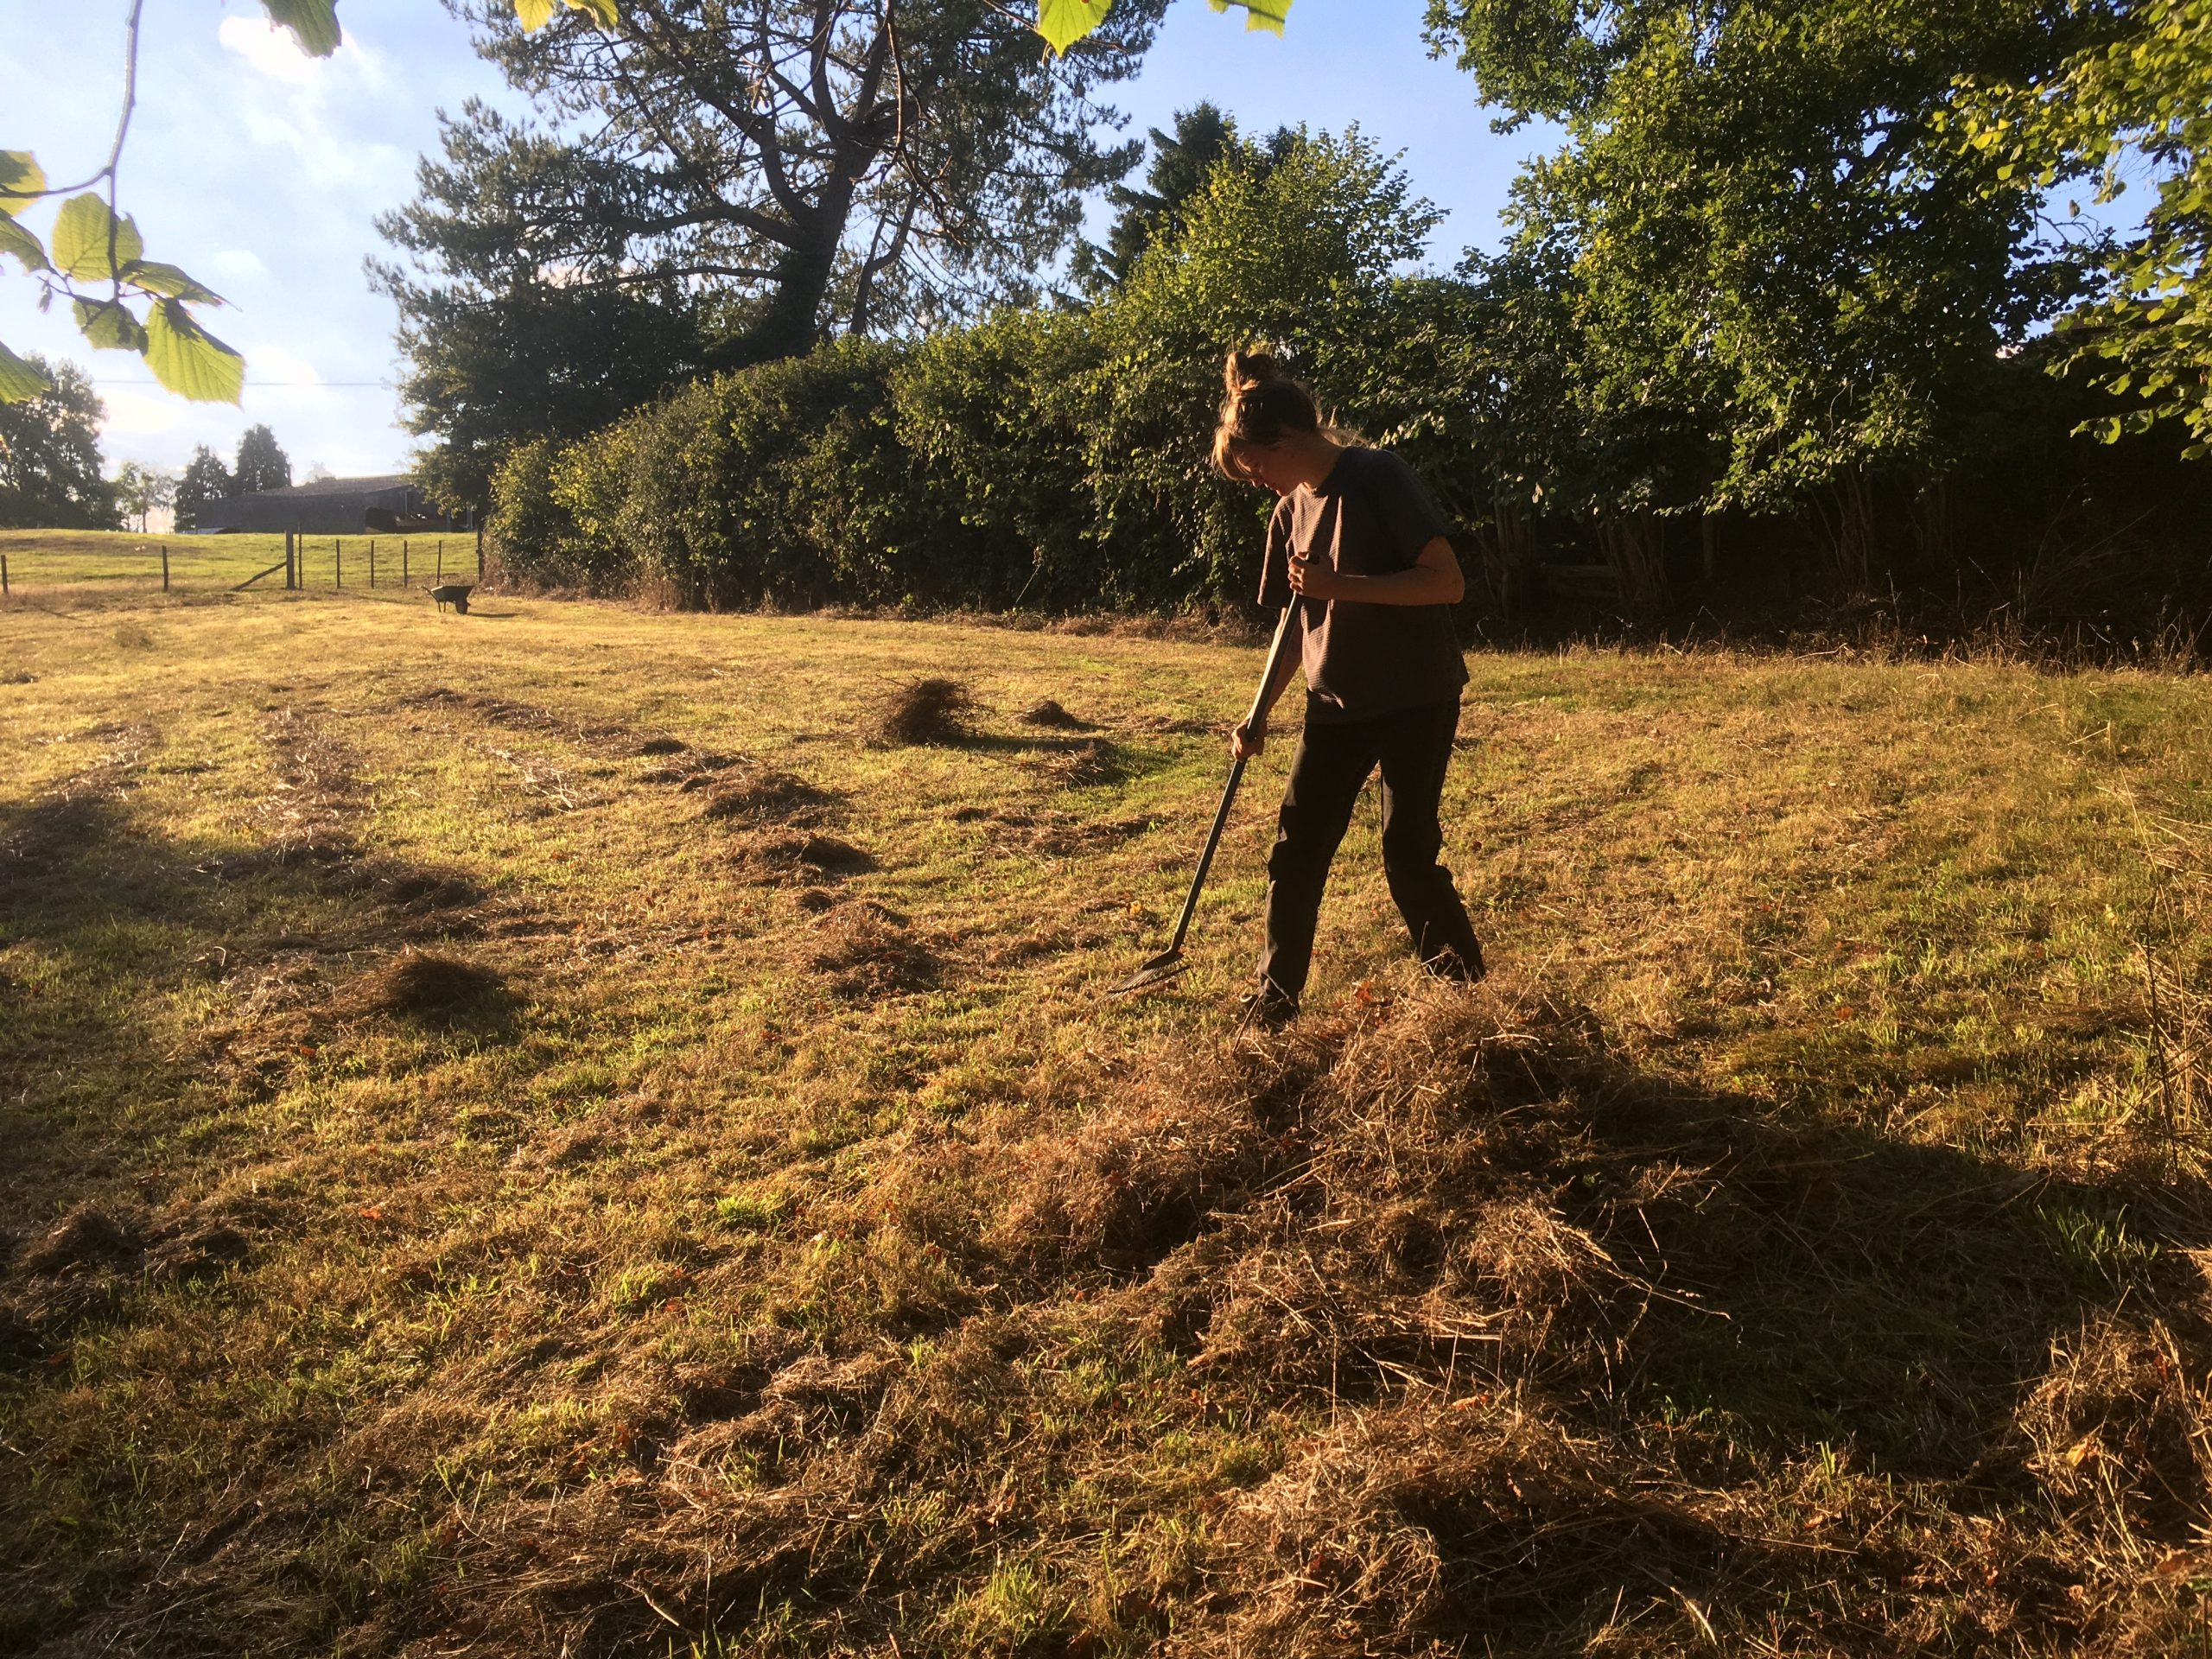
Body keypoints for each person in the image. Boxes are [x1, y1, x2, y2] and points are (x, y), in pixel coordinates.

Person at [1217, 349, 1486, 1030]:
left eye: (1257, 467)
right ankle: (1273, 1003)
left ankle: (1471, 1002)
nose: (1258, 483)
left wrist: (1340, 585)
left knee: (1407, 854)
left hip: (1415, 696)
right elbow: (1292, 627)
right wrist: (1258, 713)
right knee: (1296, 852)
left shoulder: (1376, 475)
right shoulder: (1289, 512)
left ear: (1285, 440)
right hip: (1334, 704)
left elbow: (1447, 583)